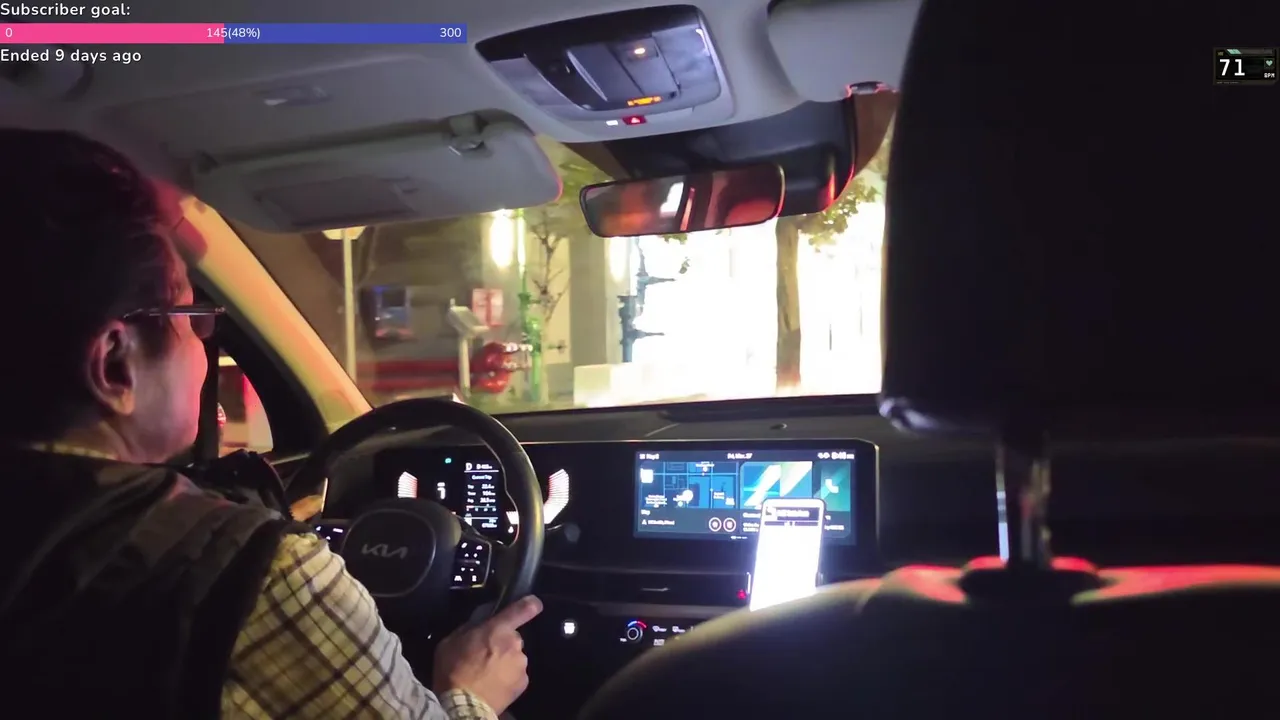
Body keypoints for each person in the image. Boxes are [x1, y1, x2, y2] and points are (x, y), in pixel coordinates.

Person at [0, 128, 540, 718]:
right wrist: (471, 694)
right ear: (114, 365)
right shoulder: (255, 578)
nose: (204, 344)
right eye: (193, 317)